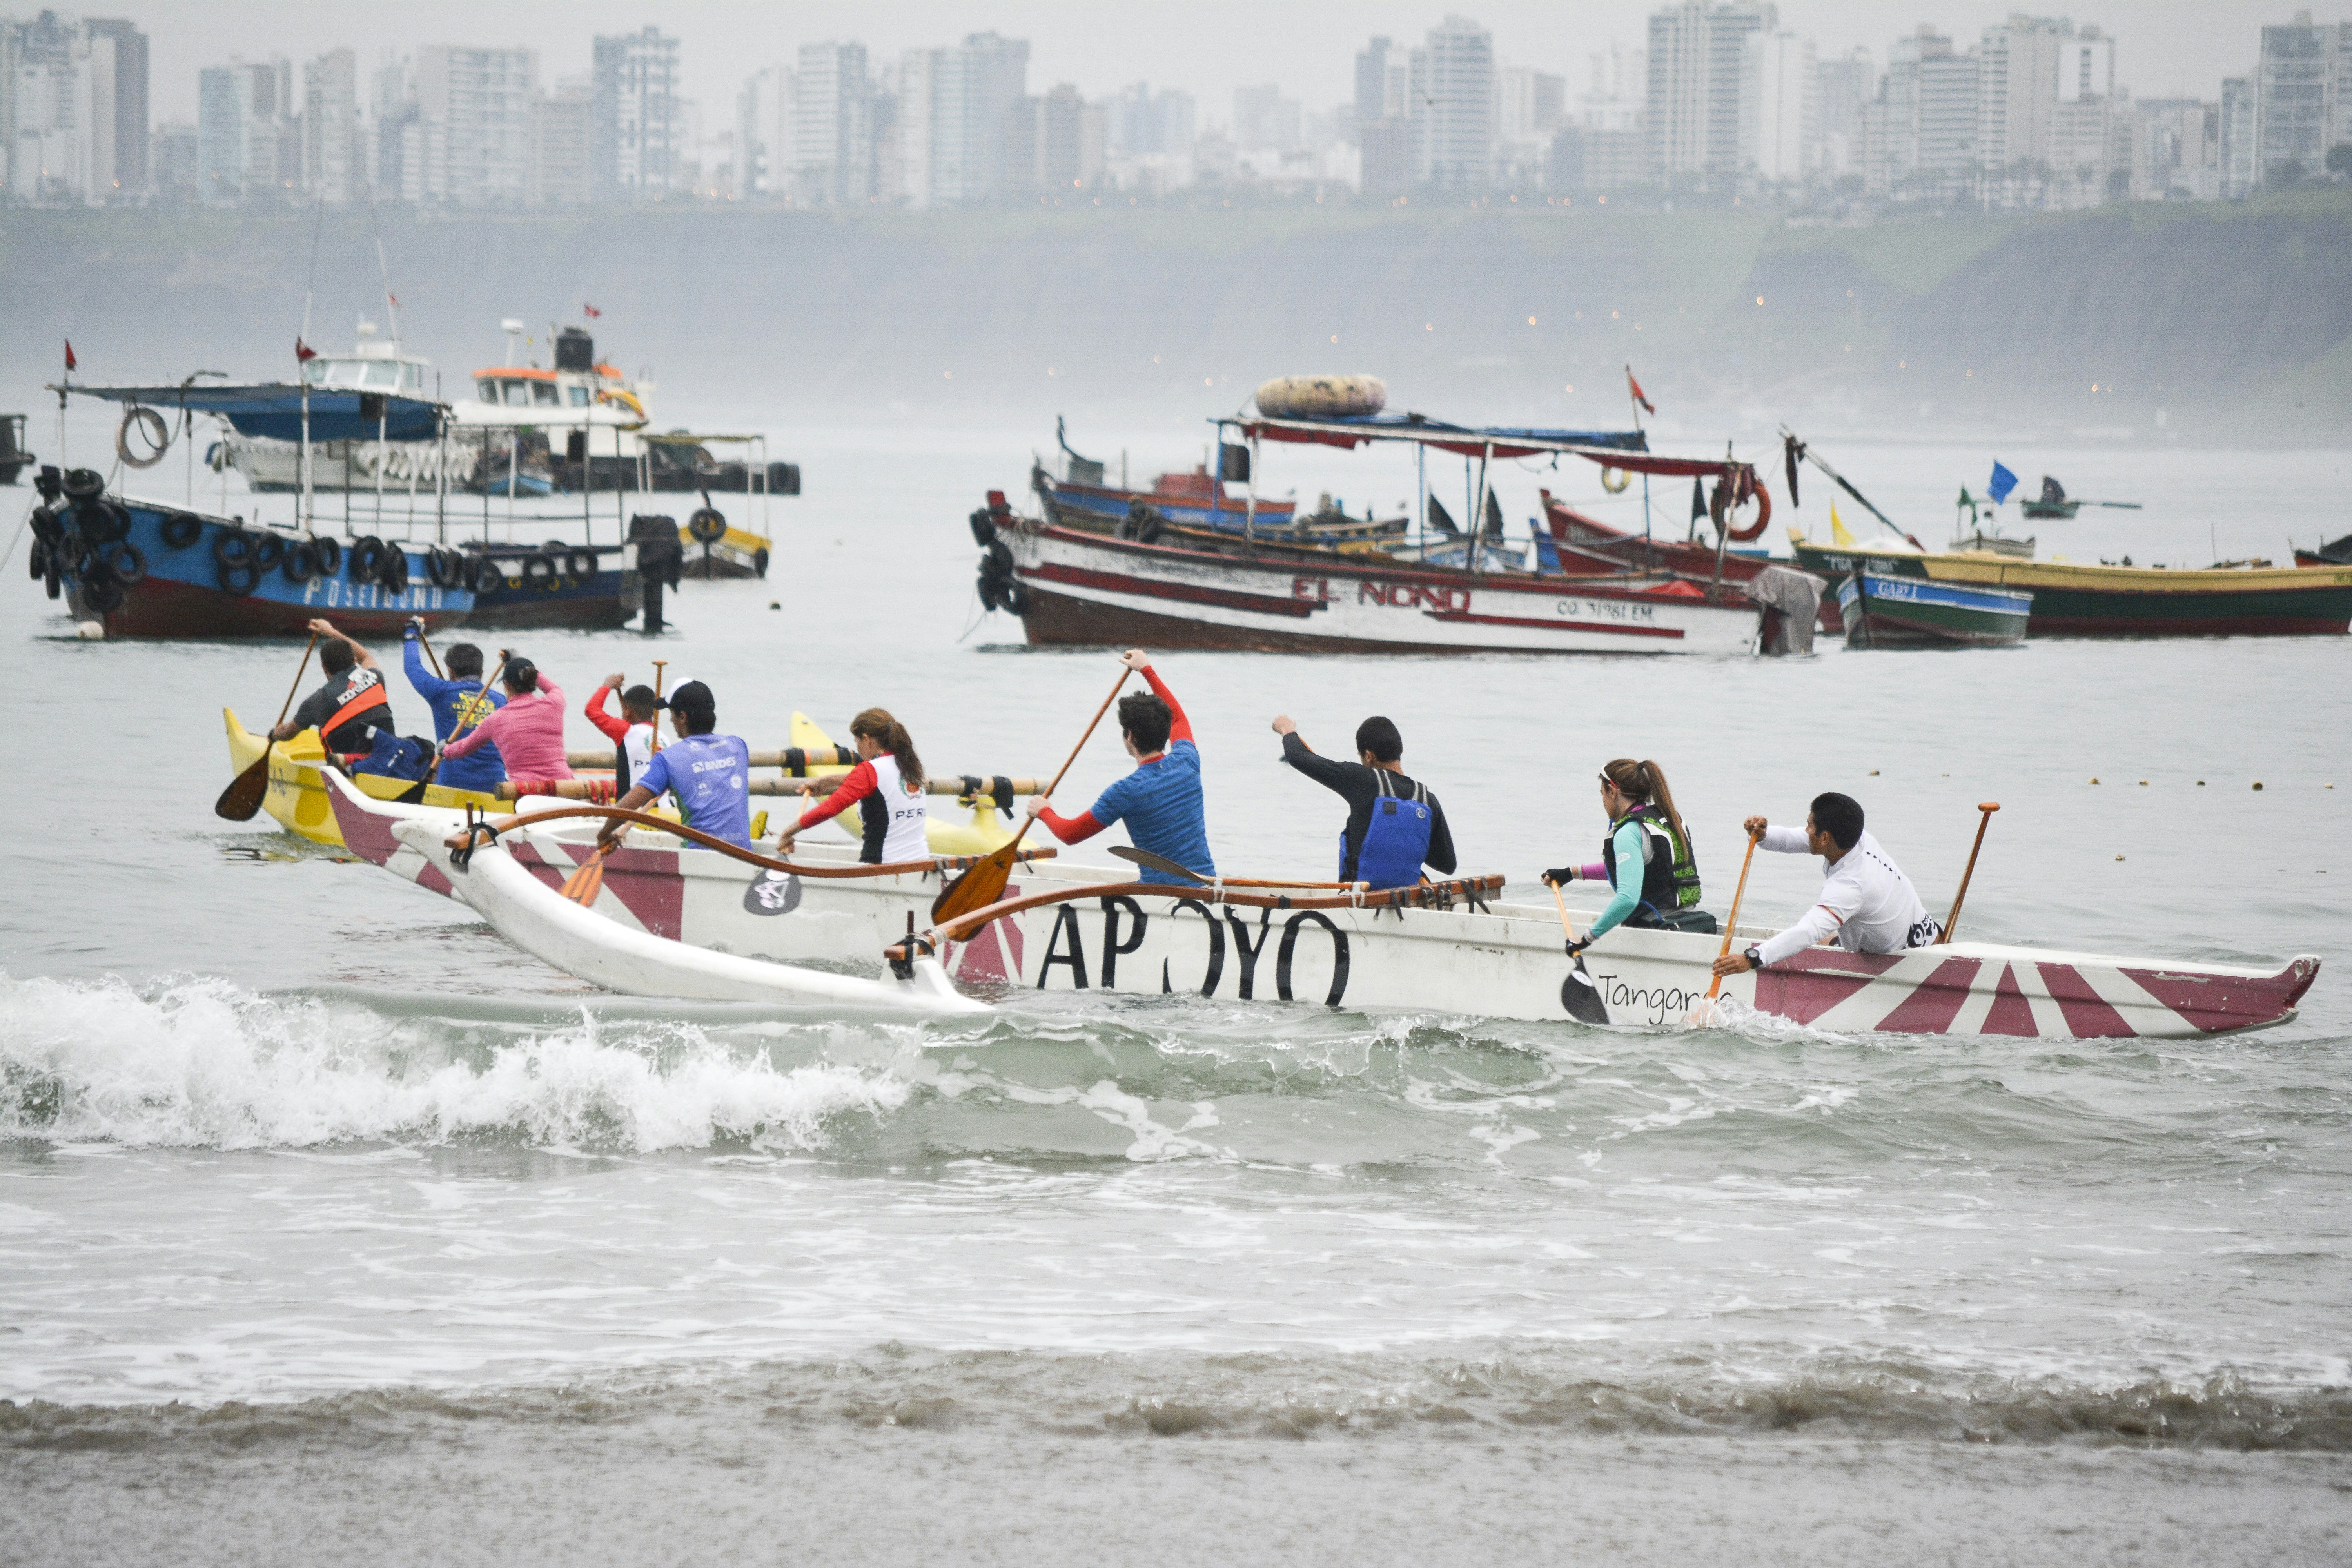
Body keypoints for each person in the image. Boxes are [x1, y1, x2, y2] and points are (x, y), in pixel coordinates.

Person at [1027, 649, 1214, 886]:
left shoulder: (1125, 792)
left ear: (1129, 737)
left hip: (1160, 895)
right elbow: (1179, 718)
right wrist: (1146, 670)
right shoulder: (1187, 761)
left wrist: (1043, 811)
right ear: (1166, 732)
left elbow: (1070, 834)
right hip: (1206, 885)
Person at [1710, 792, 1939, 979]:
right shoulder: (1857, 837)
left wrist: (1752, 958)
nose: (1806, 830)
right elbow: (1794, 838)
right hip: (1933, 937)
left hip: (1907, 967)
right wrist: (1764, 836)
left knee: (1814, 937)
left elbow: (1807, 931)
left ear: (1825, 838)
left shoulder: (1850, 887)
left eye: (1810, 825)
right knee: (1824, 938)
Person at [1270, 712, 1455, 889]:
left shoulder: (1362, 780)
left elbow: (1298, 757)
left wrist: (1287, 729)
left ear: (1368, 756)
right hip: (1407, 900)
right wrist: (1405, 843)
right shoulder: (1427, 799)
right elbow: (1448, 865)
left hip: (1360, 904)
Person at [1543, 758, 1707, 944]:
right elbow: (1634, 869)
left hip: (1654, 930)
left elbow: (1628, 899)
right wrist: (1571, 873)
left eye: (1603, 794)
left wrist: (1586, 939)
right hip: (1688, 921)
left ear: (1612, 792)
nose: (1603, 801)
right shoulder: (1669, 819)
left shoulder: (1629, 832)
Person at [597, 680, 751, 850]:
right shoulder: (739, 746)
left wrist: (604, 834)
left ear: (683, 717)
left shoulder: (668, 758)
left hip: (697, 857)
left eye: (672, 713)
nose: (671, 720)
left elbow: (626, 808)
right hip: (744, 853)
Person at [775, 708, 929, 864]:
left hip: (883, 864)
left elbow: (829, 808)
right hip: (921, 860)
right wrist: (828, 780)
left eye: (857, 742)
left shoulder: (870, 770)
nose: (858, 749)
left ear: (866, 739)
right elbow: (877, 783)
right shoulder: (910, 764)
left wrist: (788, 832)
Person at [400, 619, 505, 792]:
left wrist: (411, 634)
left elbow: (412, 667)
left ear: (450, 671)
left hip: (452, 787)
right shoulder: (501, 701)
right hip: (495, 787)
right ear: (482, 673)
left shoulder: (440, 691)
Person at [438, 652, 573, 786]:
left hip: (526, 793)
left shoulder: (496, 720)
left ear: (507, 685)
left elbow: (465, 748)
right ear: (534, 681)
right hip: (565, 786)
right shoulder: (555, 703)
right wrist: (527, 669)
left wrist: (445, 750)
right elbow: (553, 688)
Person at [275, 618, 399, 756]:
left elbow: (287, 733)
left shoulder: (318, 701)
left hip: (348, 770)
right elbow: (366, 657)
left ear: (324, 667)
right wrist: (332, 632)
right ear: (354, 660)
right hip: (391, 760)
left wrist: (274, 735)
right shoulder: (374, 678)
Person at [585, 671, 659, 791]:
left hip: (632, 807)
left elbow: (592, 709)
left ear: (627, 711)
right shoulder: (661, 736)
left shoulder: (626, 731)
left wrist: (607, 685)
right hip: (664, 807)